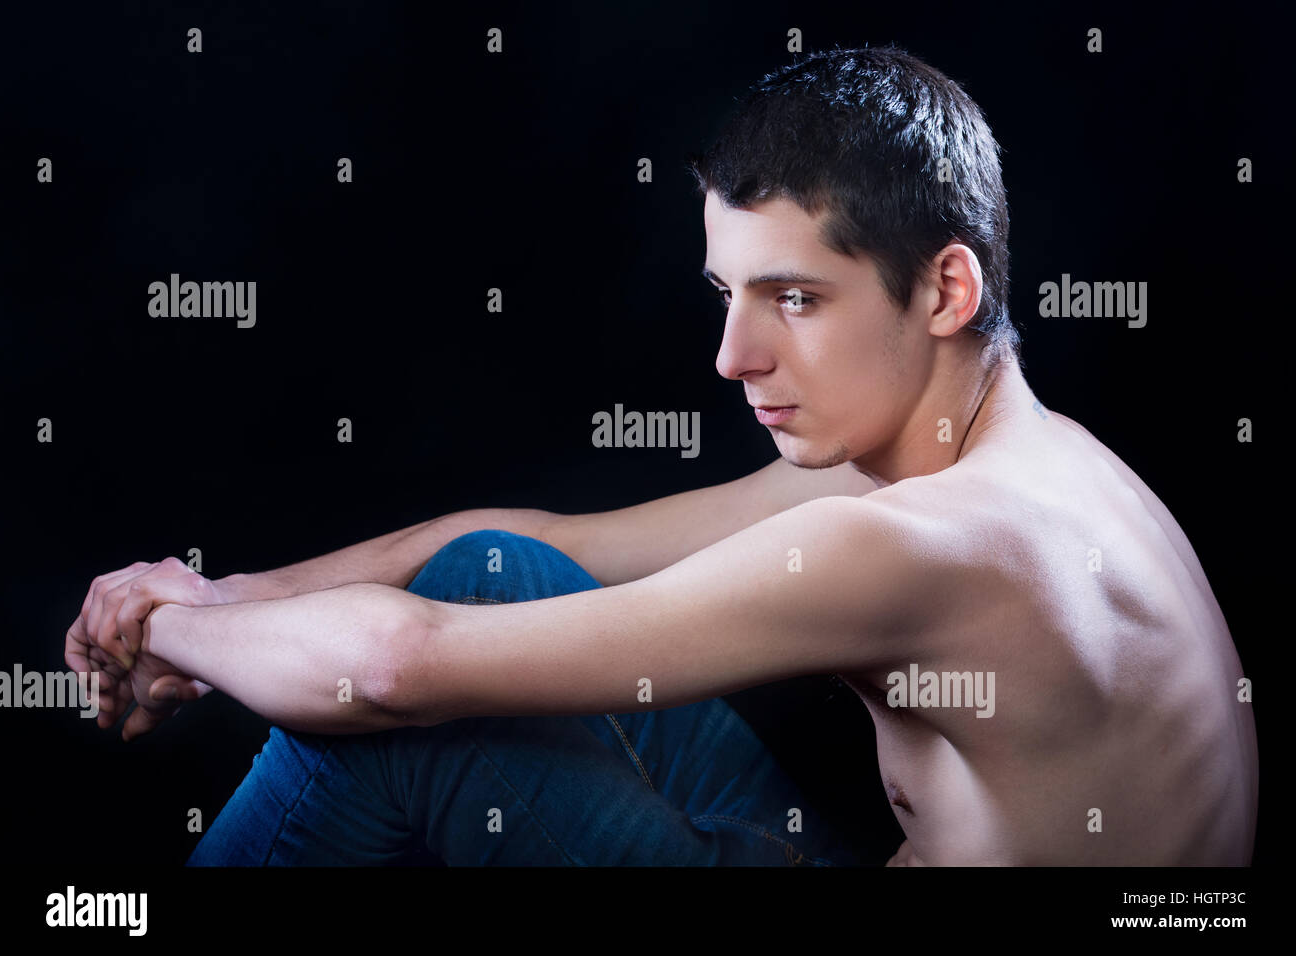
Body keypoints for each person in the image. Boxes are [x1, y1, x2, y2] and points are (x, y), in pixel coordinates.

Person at [65, 46, 1257, 866]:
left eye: (793, 297)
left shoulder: (928, 544)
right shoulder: (1001, 461)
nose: (733, 356)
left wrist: (159, 634)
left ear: (947, 286)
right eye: (725, 293)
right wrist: (215, 593)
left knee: (383, 742)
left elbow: (391, 665)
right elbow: (545, 544)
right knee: (494, 567)